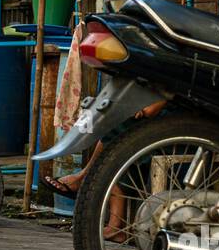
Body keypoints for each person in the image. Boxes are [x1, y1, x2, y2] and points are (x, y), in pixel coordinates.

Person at [42, 101, 164, 242]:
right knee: (117, 131)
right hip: (156, 122)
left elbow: (151, 109)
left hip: (176, 122)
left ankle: (86, 178)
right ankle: (115, 224)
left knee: (119, 133)